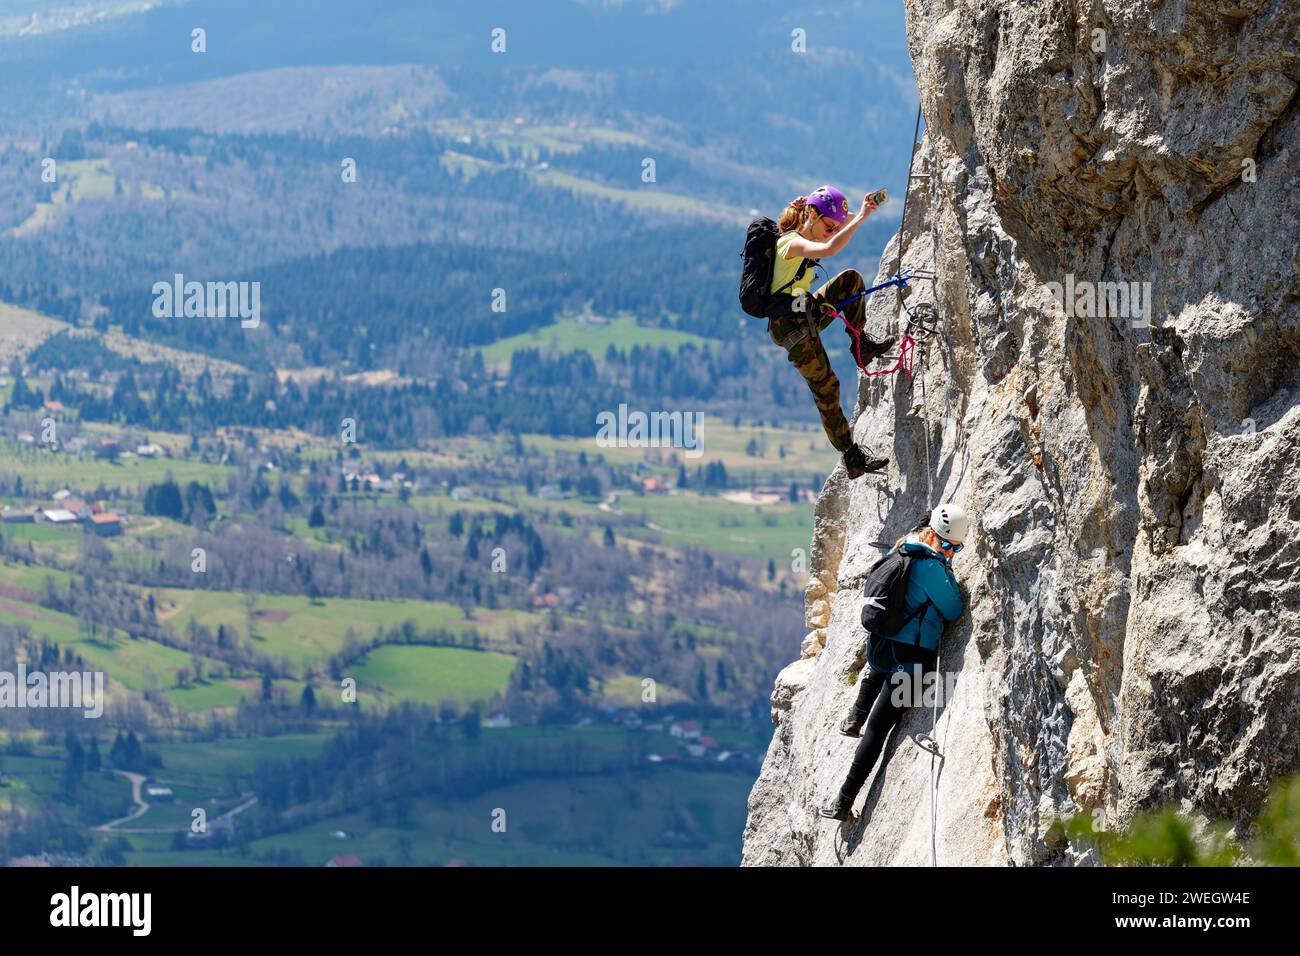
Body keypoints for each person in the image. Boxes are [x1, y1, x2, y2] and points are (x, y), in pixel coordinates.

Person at [820, 503, 969, 822]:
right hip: (911, 661)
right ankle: (843, 801)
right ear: (941, 538)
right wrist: (949, 574)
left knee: (875, 677)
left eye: (954, 547)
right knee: (879, 729)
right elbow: (954, 609)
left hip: (882, 648)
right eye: (949, 545)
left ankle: (854, 716)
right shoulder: (932, 569)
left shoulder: (905, 544)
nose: (950, 551)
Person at [767, 185, 895, 479]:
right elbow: (830, 248)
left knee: (850, 280)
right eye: (828, 225)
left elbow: (831, 229)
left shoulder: (806, 233)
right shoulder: (791, 244)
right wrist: (861, 217)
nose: (832, 231)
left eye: (835, 227)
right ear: (811, 215)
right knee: (827, 387)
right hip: (792, 330)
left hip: (805, 312)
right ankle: (851, 456)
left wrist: (859, 209)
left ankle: (860, 345)